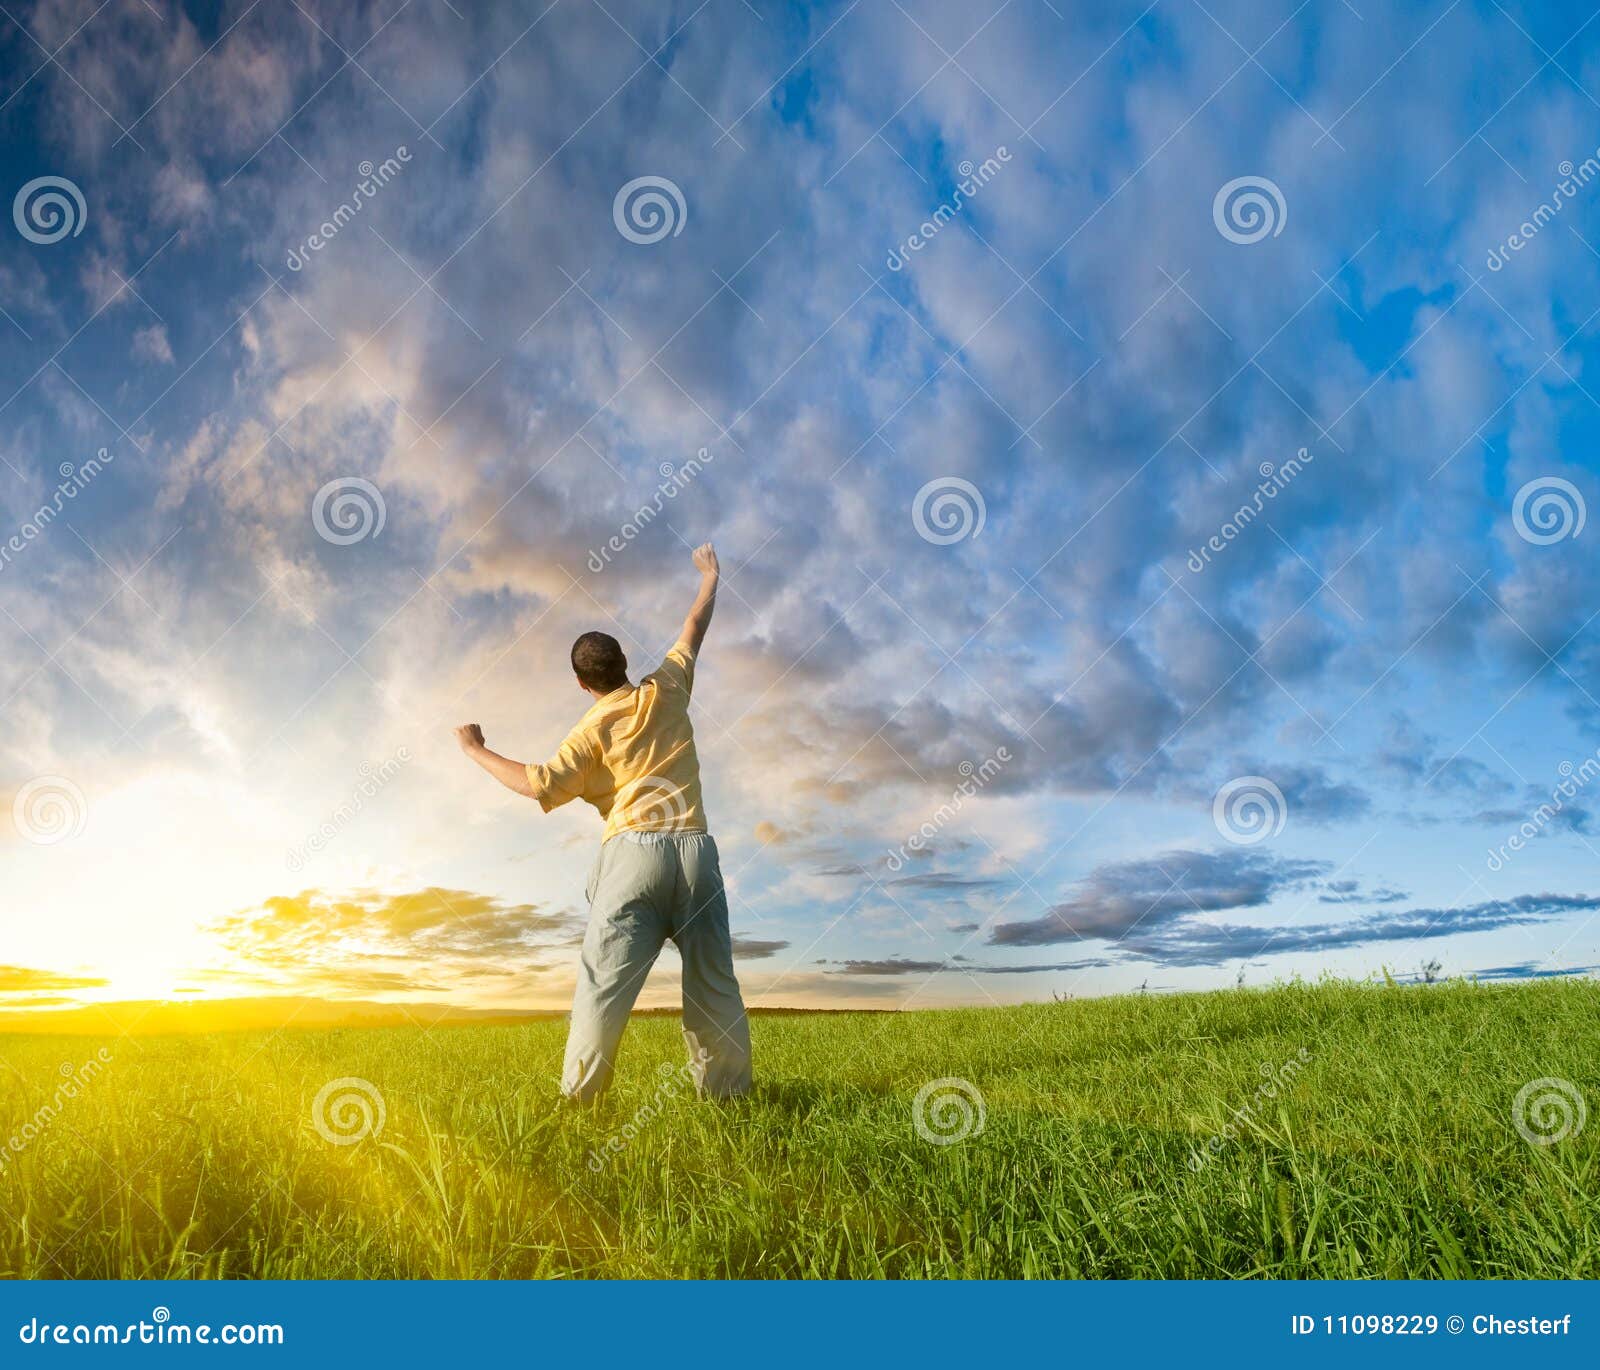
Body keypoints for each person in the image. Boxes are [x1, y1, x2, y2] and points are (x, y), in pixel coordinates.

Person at [453, 543, 751, 1102]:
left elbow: (537, 783)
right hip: (695, 850)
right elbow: (693, 623)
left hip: (633, 855)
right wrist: (710, 574)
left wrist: (475, 750)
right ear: (623, 663)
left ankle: (582, 1104)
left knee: (601, 993)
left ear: (581, 681)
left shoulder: (589, 732)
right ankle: (730, 1102)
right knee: (715, 988)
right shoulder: (666, 687)